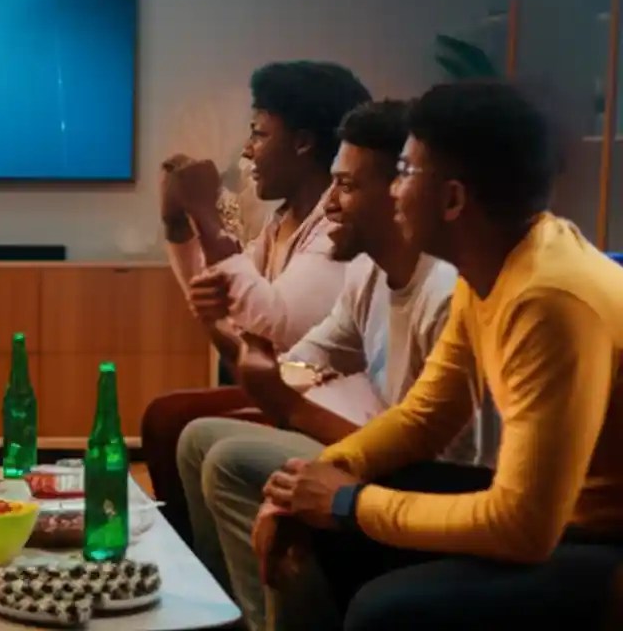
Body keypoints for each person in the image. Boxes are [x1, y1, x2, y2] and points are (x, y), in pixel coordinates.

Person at [260, 80, 623, 629]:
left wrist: (347, 503)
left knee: (384, 610)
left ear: (453, 200)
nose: (394, 193)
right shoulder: (491, 270)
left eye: (404, 174)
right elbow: (424, 418)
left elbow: (524, 527)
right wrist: (322, 475)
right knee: (319, 525)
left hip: (600, 538)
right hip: (555, 520)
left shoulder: (547, 299)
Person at [175, 100, 497, 631]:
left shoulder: (445, 295)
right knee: (199, 437)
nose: (328, 208)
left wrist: (285, 402)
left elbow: (438, 470)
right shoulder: (368, 274)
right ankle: (224, 615)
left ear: (402, 192)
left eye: (345, 187)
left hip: (437, 484)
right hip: (383, 449)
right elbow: (298, 361)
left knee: (232, 460)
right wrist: (250, 350)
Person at [142, 61, 371, 544]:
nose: (247, 151)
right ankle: (207, 569)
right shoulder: (285, 219)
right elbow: (226, 301)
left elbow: (274, 321)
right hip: (295, 386)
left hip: (332, 406)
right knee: (166, 417)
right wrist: (178, 227)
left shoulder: (341, 226)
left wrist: (204, 211)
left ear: (303, 143)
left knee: (179, 425)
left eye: (259, 134)